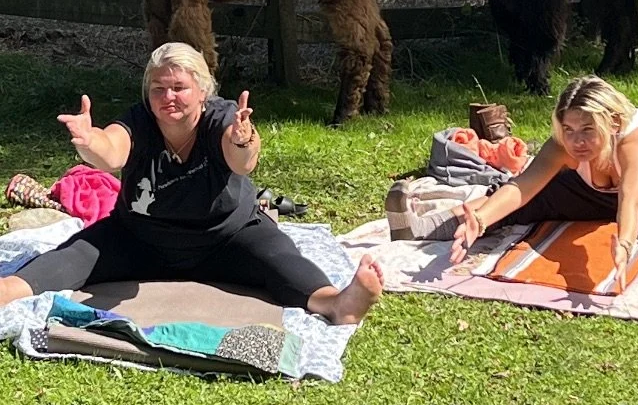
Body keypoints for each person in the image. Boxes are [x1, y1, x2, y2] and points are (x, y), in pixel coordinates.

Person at [0, 43, 383, 323]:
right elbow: (112, 152)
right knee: (73, 254)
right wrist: (89, 142)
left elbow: (243, 160)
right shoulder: (139, 121)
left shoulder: (223, 120)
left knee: (280, 258)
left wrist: (243, 140)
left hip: (227, 238)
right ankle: (6, 291)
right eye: (158, 89)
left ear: (202, 91)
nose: (168, 97)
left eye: (179, 87)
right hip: (141, 238)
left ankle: (337, 303)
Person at [450, 74, 638, 298]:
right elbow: (522, 186)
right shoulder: (564, 145)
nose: (577, 141)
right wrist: (481, 219)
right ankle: (431, 225)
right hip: (589, 193)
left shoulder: (634, 142)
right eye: (569, 129)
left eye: (587, 129)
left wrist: (624, 243)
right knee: (515, 200)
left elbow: (630, 202)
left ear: (613, 123)